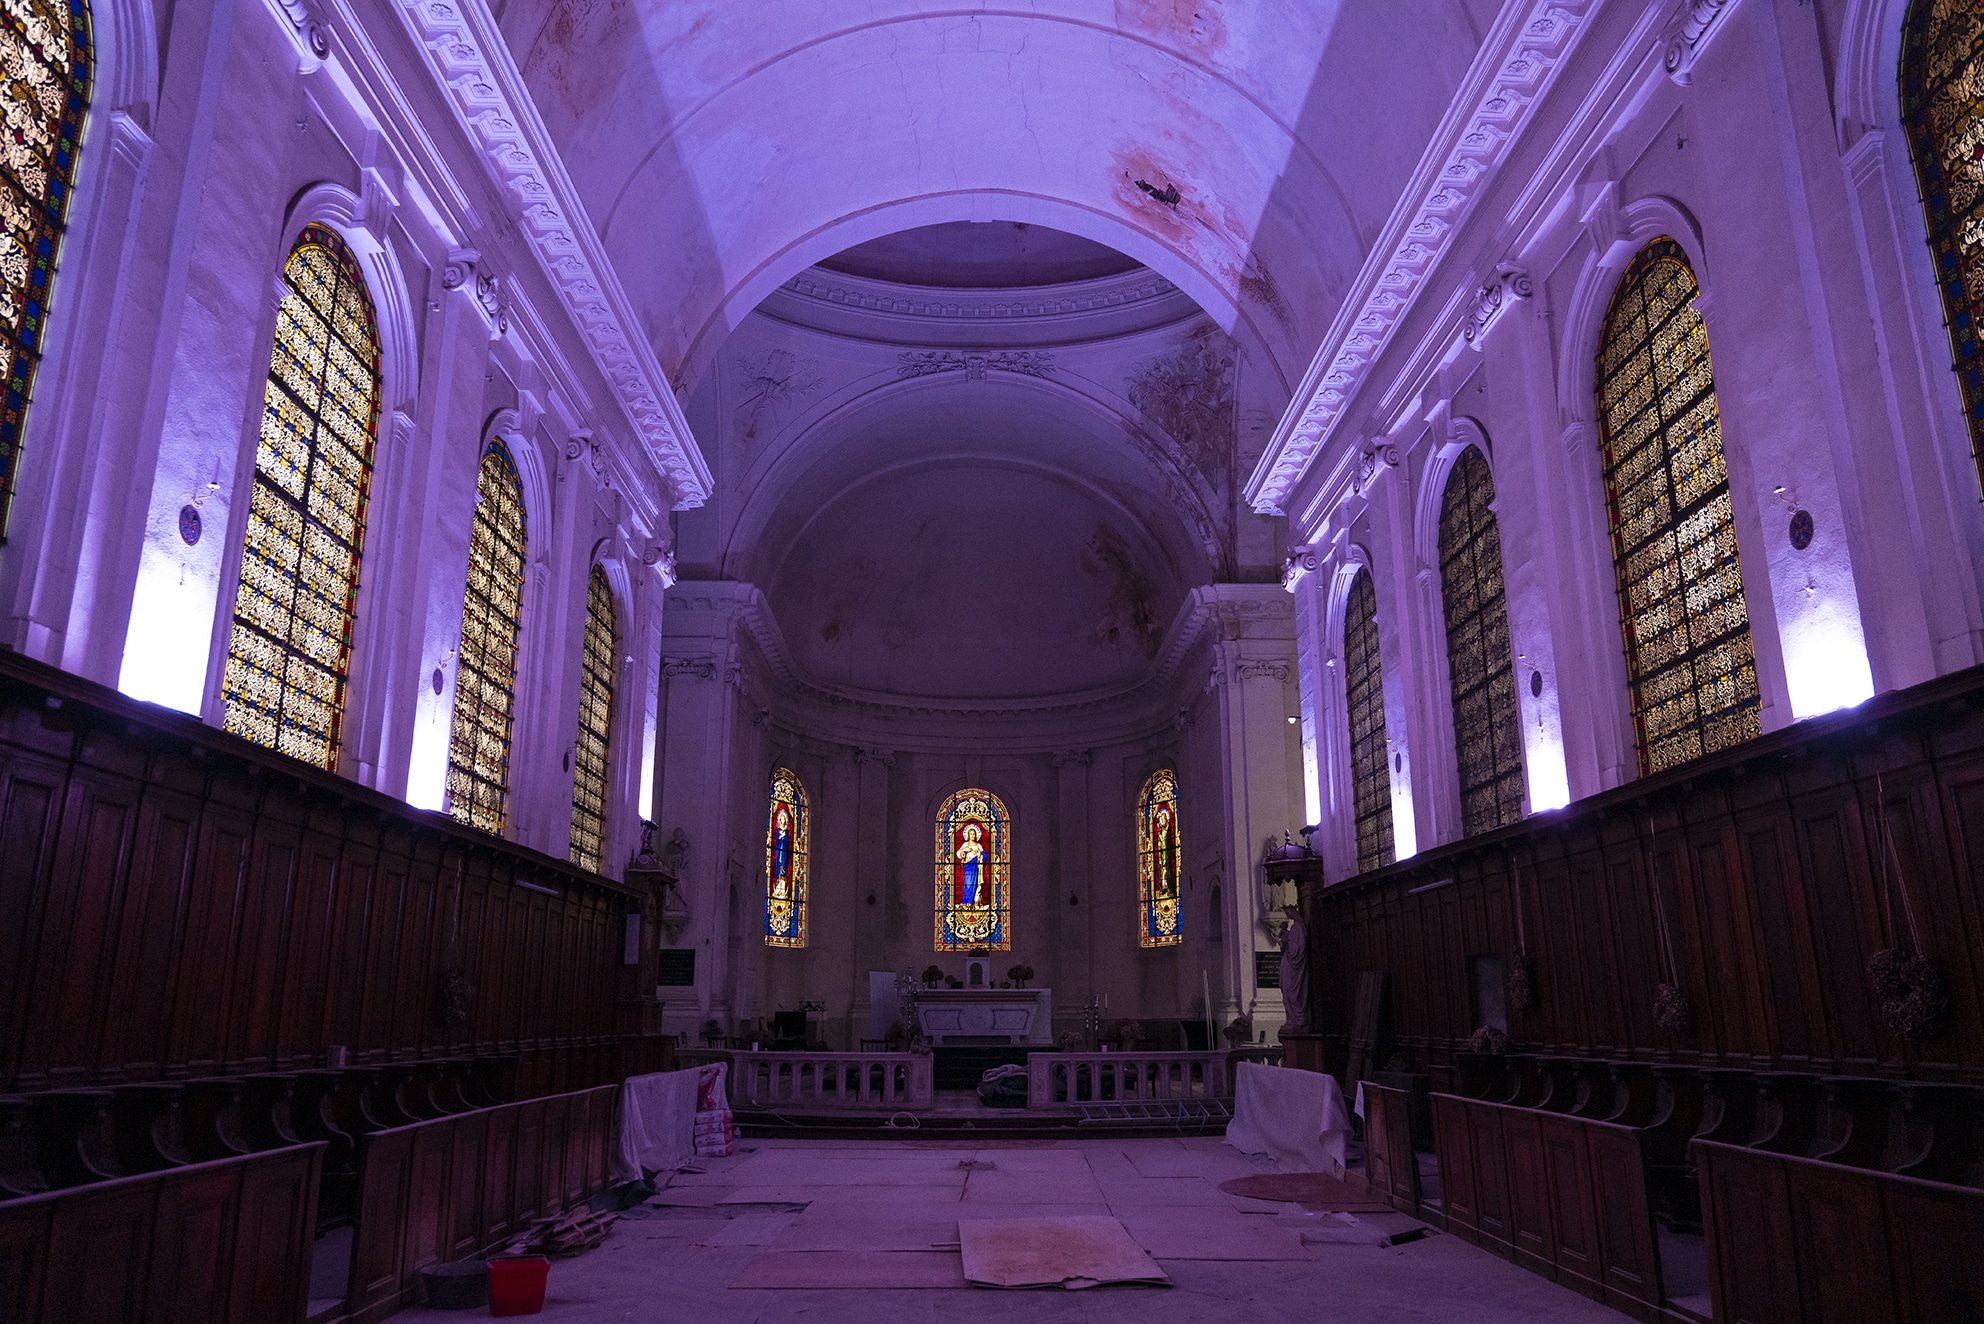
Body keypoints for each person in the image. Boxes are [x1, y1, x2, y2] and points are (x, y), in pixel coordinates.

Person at [1279, 903, 1311, 1035]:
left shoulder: (1298, 928)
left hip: (1294, 965)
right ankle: (1292, 1019)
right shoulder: (1294, 928)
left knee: (1293, 990)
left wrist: (1287, 942)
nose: (1287, 915)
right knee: (1285, 989)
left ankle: (1299, 1018)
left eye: (1288, 913)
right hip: (1289, 963)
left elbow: (1299, 949)